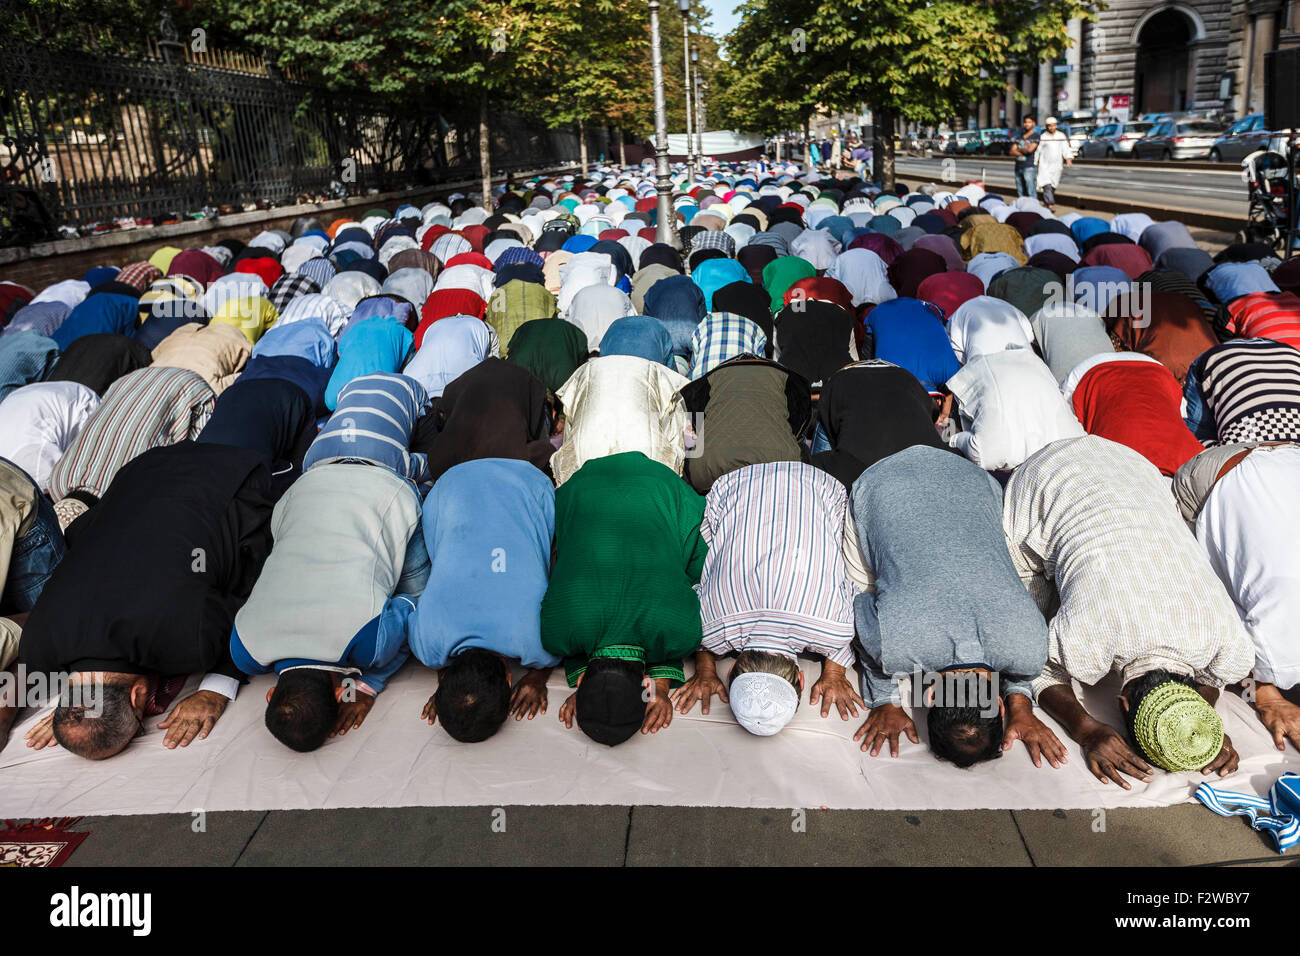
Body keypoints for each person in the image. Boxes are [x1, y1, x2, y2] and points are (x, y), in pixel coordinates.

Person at [1004, 436, 1255, 787]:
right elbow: (1035, 668)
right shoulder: (1089, 637)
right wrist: (1085, 728)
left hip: (1134, 464)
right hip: (1049, 473)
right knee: (1026, 612)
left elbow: (1213, 679)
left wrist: (1198, 725)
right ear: (1121, 704)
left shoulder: (1226, 639)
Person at [17, 441, 274, 758]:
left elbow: (254, 613)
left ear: (139, 696)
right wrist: (76, 718)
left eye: (140, 724)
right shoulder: (37, 647)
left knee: (263, 563)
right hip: (143, 468)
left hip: (228, 473)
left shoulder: (189, 638)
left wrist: (215, 689)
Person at [231, 376, 432, 752]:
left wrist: (369, 685)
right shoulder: (244, 648)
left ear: (343, 692)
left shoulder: (370, 645)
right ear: (271, 692)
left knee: (416, 586)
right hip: (309, 480)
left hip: (388, 484)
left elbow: (411, 605)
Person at [848, 445, 1060, 767]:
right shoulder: (896, 650)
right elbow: (861, 605)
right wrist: (886, 700)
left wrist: (1022, 704)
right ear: (930, 696)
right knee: (865, 586)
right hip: (881, 480)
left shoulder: (1031, 648)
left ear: (1001, 708)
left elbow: (1020, 672)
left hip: (972, 478)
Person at [675, 462, 860, 736]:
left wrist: (835, 673)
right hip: (735, 484)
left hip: (821, 485)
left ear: (799, 677)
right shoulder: (712, 627)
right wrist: (704, 667)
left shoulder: (831, 629)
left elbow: (844, 629)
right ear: (732, 670)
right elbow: (698, 626)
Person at [541, 451, 708, 746]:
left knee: (698, 567)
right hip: (587, 484)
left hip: (660, 485)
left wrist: (660, 686)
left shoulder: (679, 631)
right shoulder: (559, 630)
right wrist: (660, 684)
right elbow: (576, 646)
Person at [411, 458, 558, 742]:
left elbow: (550, 655)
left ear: (510, 679)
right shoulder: (429, 646)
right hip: (451, 483)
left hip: (528, 481)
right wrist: (450, 691)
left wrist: (538, 677)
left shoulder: (536, 642)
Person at [1174, 442, 1300, 751]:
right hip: (1208, 478)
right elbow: (1229, 652)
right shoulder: (1283, 621)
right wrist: (1268, 699)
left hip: (1285, 457)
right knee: (1199, 589)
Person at [1035, 117, 1072, 209]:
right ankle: (1050, 203)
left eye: (1053, 125)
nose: (1052, 128)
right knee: (1046, 183)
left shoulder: (1061, 136)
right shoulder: (1043, 136)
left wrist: (1068, 159)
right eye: (1050, 126)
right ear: (1047, 127)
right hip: (1045, 165)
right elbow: (1038, 150)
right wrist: (1035, 161)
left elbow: (1065, 148)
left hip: (1057, 165)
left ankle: (1047, 202)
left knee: (1053, 184)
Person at [1010, 115, 1040, 198]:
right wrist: (1023, 149)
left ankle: (1033, 208)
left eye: (1029, 122)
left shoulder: (1036, 136)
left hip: (1029, 166)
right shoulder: (1019, 137)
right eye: (1025, 122)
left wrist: (1018, 149)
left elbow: (1030, 150)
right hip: (1018, 166)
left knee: (1031, 192)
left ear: (1033, 123)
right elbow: (1012, 151)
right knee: (1021, 193)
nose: (1027, 124)